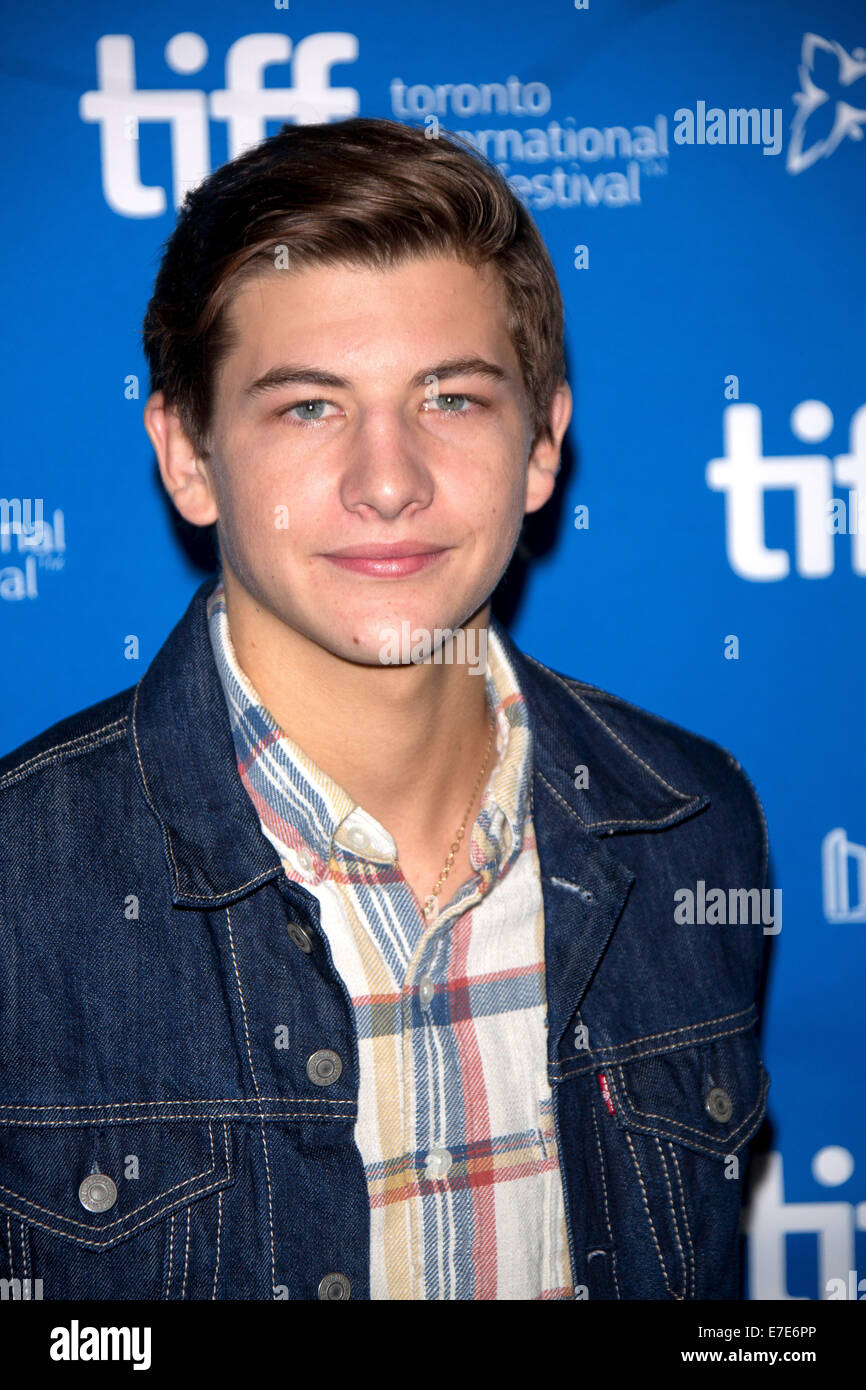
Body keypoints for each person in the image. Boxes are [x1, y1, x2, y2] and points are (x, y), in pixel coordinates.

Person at [0, 118, 769, 1301]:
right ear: (188, 455)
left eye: (449, 398)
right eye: (308, 407)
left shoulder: (691, 824)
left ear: (542, 444)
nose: (388, 481)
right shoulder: (21, 880)